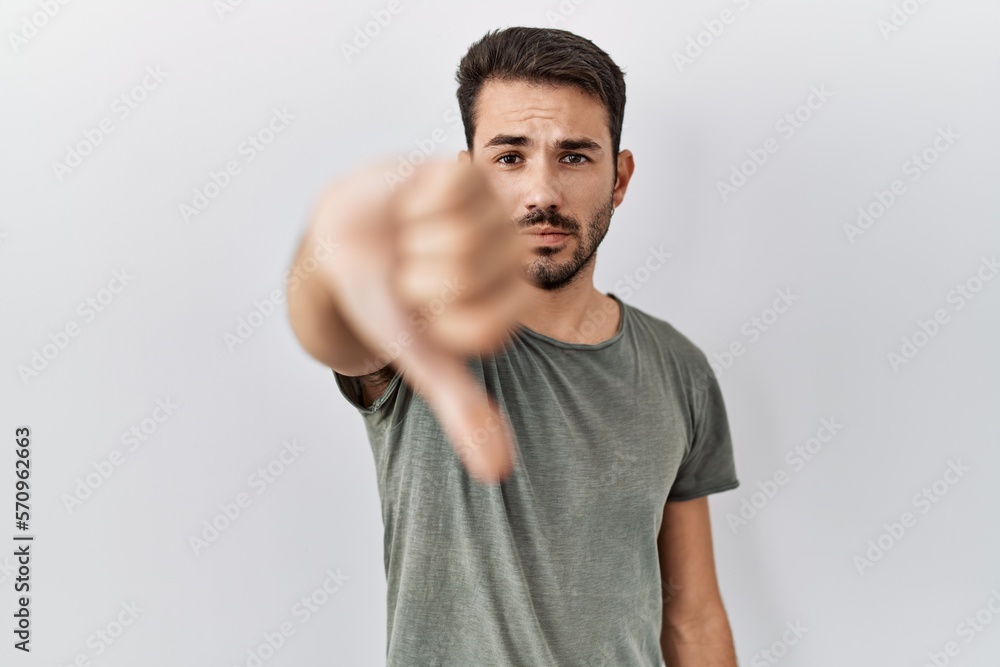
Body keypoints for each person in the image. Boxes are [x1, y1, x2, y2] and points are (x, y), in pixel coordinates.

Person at [287, 25, 740, 667]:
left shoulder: (679, 368)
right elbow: (334, 323)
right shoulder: (418, 330)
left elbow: (692, 616)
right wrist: (330, 253)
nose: (542, 194)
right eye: (510, 157)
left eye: (575, 156)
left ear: (620, 176)